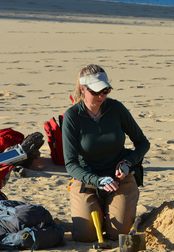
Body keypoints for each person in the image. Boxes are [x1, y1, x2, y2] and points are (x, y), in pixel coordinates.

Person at [62, 64, 150, 242]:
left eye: (106, 90)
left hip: (120, 180)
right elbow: (70, 164)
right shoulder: (72, 117)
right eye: (96, 92)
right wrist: (97, 180)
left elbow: (142, 143)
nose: (101, 96)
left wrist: (127, 163)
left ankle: (113, 212)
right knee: (87, 236)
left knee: (119, 234)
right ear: (83, 90)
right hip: (88, 179)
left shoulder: (116, 109)